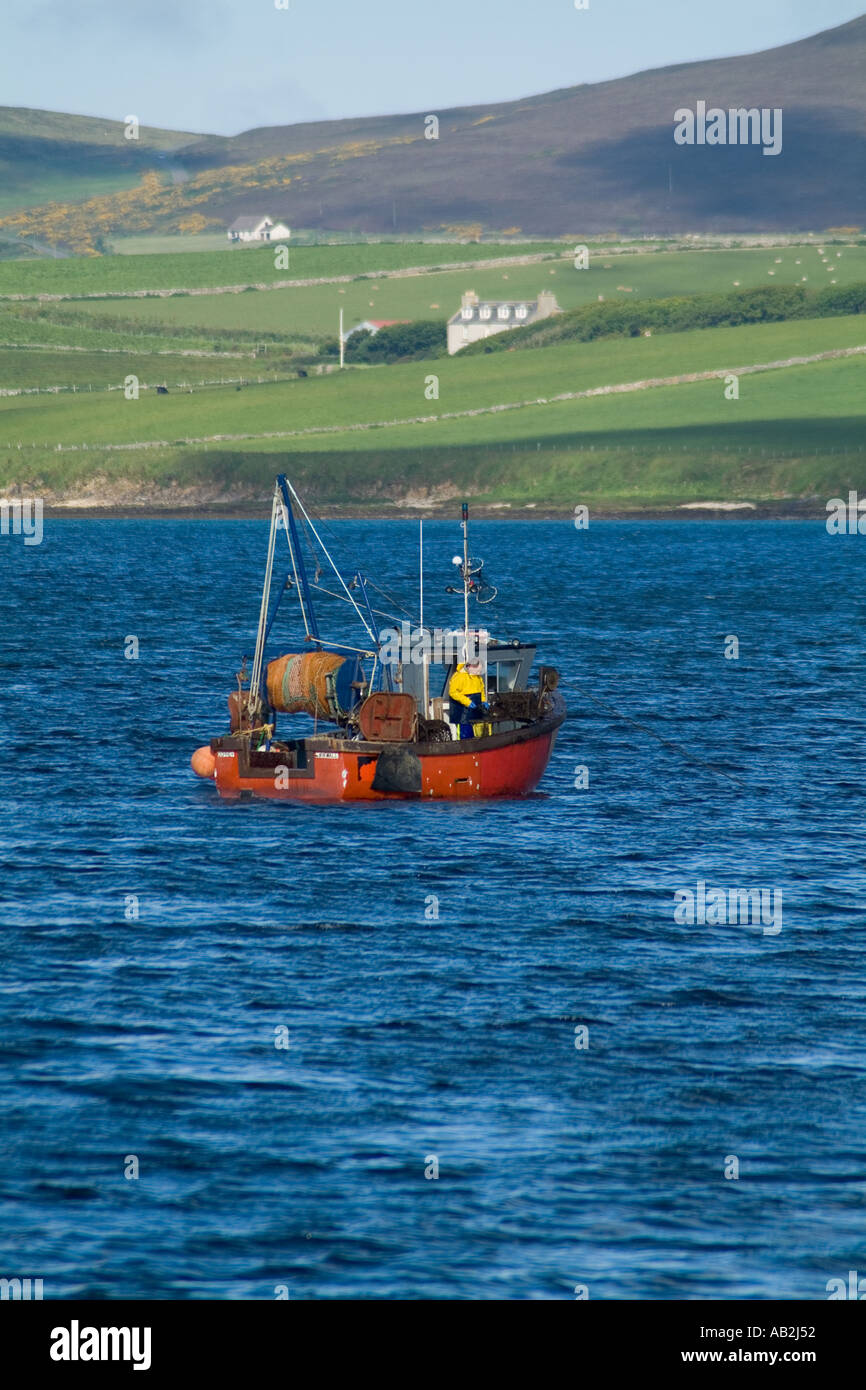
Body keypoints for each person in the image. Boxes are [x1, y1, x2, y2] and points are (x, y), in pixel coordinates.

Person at [448, 659, 488, 738]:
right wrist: (467, 702)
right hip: (461, 711)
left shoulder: (477, 677)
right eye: (477, 671)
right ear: (470, 667)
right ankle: (463, 749)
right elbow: (452, 692)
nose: (479, 673)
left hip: (475, 710)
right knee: (464, 734)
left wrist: (483, 701)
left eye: (480, 671)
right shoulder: (459, 676)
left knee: (477, 734)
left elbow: (481, 689)